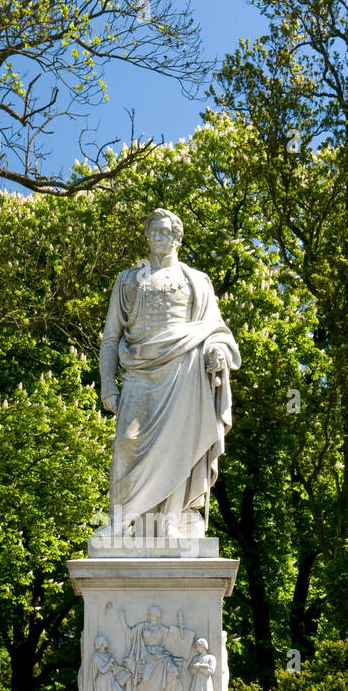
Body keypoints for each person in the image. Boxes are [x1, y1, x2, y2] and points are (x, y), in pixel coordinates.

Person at [98, 208, 241, 539]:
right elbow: (110, 339)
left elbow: (214, 328)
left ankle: (171, 521)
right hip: (138, 371)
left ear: (178, 237)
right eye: (153, 232)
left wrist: (217, 350)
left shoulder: (197, 280)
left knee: (179, 446)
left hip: (184, 371)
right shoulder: (128, 280)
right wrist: (108, 385)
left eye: (164, 232)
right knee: (126, 442)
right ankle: (120, 522)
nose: (157, 237)